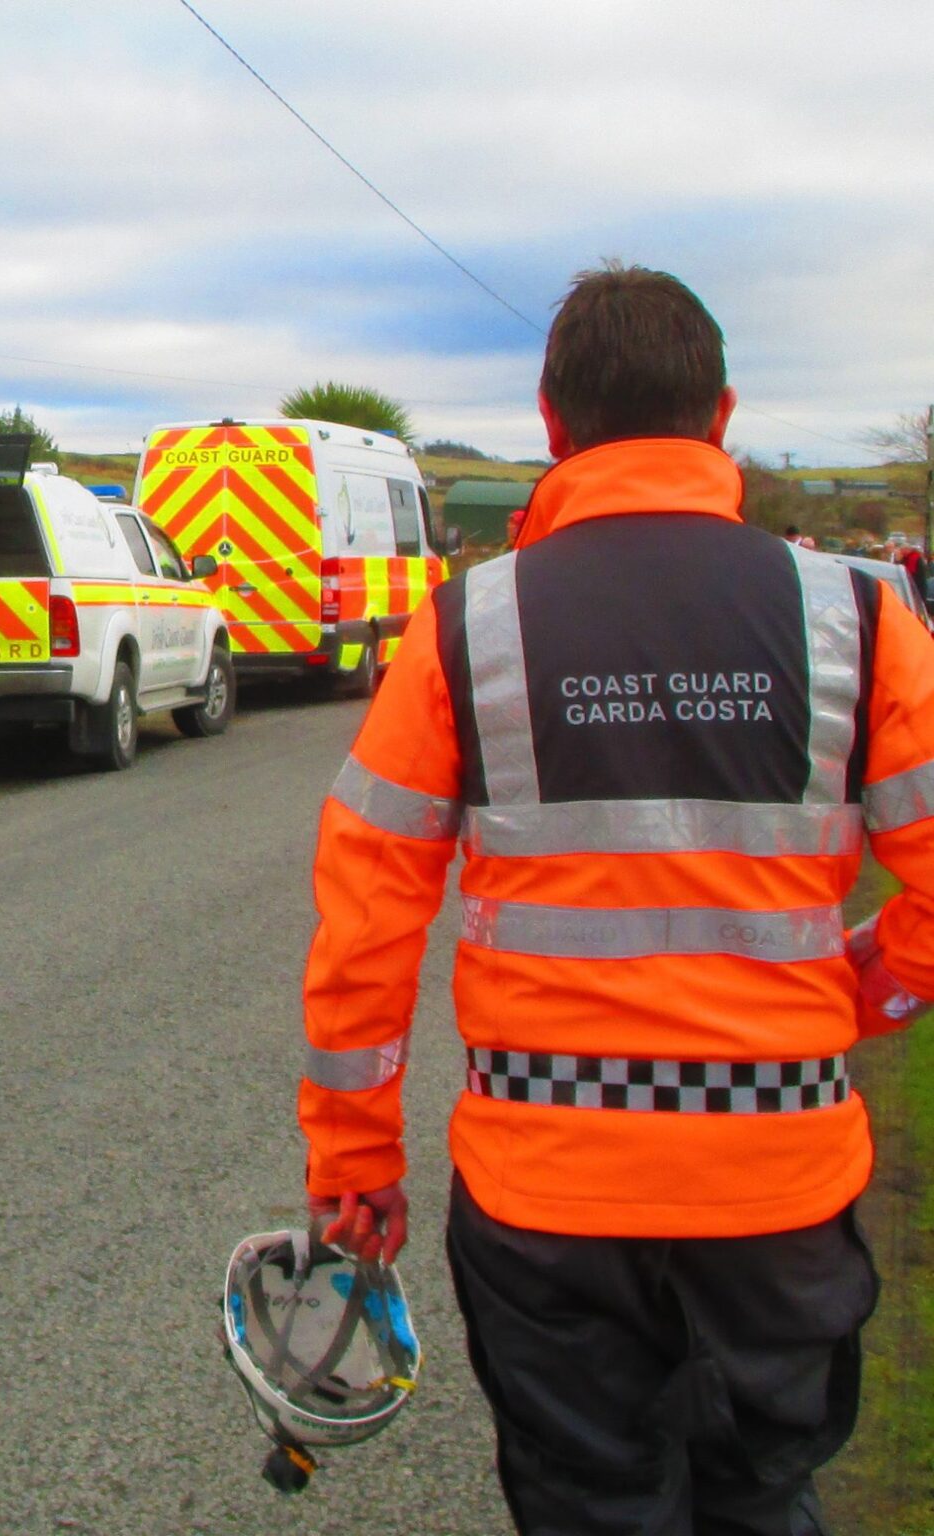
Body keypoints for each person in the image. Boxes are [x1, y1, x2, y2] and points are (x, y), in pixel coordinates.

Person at [296, 262, 934, 1534]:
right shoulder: (859, 620)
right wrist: (867, 987)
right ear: (722, 415)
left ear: (548, 424)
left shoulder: (463, 624)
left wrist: (354, 1156)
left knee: (591, 1509)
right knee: (760, 1498)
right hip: (780, 1186)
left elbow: (365, 915)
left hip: (545, 1200)